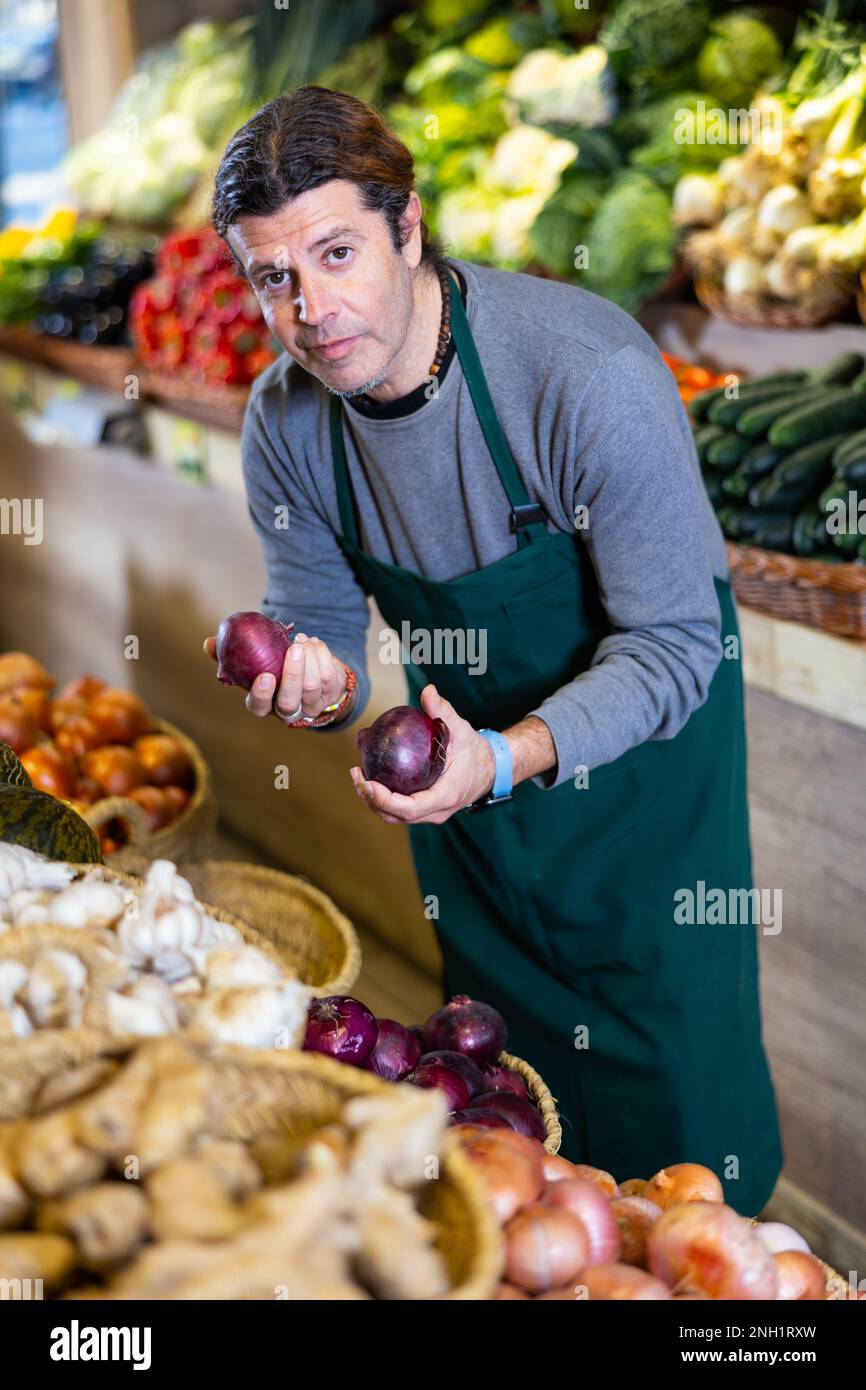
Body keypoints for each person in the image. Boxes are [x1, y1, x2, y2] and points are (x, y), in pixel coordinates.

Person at [204, 85, 783, 1211]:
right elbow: (316, 619)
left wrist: (505, 756)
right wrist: (313, 683)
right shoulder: (285, 424)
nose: (311, 308)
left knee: (687, 1186)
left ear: (408, 226)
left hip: (642, 833)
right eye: (273, 275)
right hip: (474, 849)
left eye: (336, 252)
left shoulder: (585, 377)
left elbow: (674, 649)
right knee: (513, 1147)